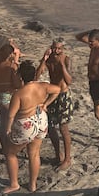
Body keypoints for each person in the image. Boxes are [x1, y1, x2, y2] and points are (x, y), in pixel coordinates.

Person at [3, 60, 61, 194]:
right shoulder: (42, 86)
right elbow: (57, 90)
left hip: (26, 124)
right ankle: (32, 185)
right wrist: (46, 104)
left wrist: (8, 129)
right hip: (41, 119)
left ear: (20, 76)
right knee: (34, 154)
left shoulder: (19, 94)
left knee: (10, 153)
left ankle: (14, 184)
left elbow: (11, 115)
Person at [36, 39, 74, 170]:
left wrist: (62, 65)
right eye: (54, 48)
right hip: (53, 94)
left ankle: (67, 159)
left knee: (64, 128)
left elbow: (69, 81)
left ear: (63, 48)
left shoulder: (66, 59)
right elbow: (37, 75)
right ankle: (58, 154)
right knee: (51, 126)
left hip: (63, 95)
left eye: (59, 49)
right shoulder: (49, 59)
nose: (56, 51)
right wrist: (43, 59)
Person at [76, 28, 99, 148]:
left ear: (98, 40)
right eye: (89, 41)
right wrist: (89, 31)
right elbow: (78, 37)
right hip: (92, 82)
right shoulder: (93, 47)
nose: (89, 44)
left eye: (92, 42)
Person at [0, 42, 22, 150]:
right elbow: (16, 84)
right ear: (10, 55)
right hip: (8, 96)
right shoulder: (12, 67)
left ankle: (4, 147)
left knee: (3, 122)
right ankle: (10, 148)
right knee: (11, 123)